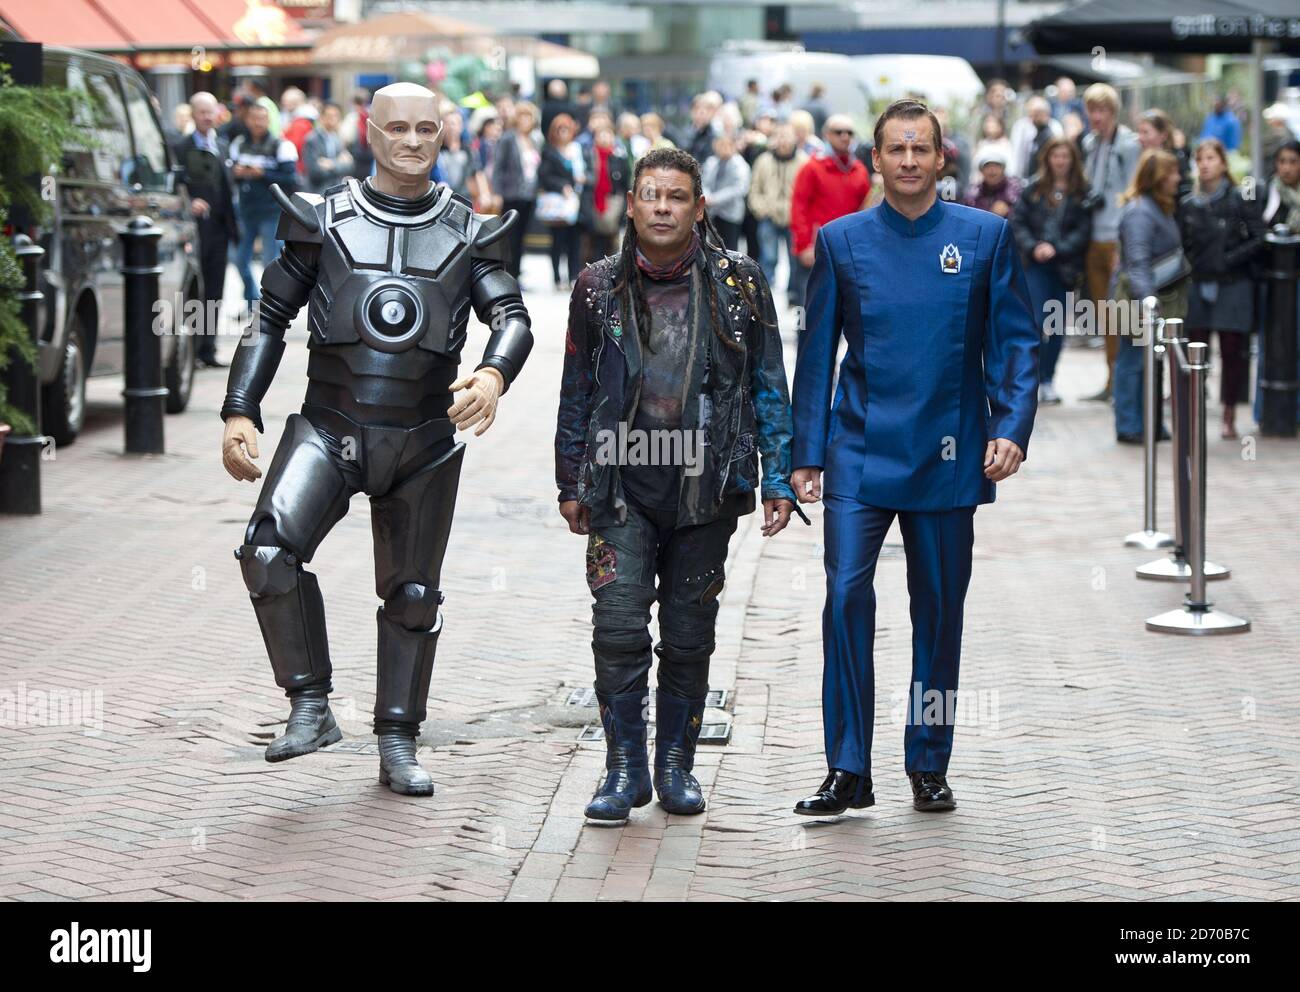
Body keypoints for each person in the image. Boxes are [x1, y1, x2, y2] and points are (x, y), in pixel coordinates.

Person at [219, 83, 533, 797]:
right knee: (268, 551)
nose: (413, 141)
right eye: (398, 128)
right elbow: (269, 317)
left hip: (422, 436)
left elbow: (511, 317)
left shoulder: (467, 230)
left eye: (427, 128)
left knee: (414, 594)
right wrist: (240, 408)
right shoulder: (322, 220)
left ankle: (398, 739)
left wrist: (492, 374)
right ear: (370, 132)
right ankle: (309, 705)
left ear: (444, 134)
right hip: (329, 427)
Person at [790, 99, 1038, 816]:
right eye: (894, 149)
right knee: (843, 600)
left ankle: (929, 760)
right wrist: (807, 451)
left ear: (940, 159)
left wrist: (1012, 426)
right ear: (875, 160)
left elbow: (1018, 343)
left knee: (938, 614)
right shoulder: (840, 242)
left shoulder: (985, 237)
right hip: (860, 450)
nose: (906, 161)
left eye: (919, 149)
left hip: (950, 454)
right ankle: (847, 769)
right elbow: (818, 356)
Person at [554, 147, 805, 821]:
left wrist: (777, 474)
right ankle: (623, 769)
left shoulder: (740, 283)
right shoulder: (595, 286)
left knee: (691, 635)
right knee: (616, 625)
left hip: (705, 490)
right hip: (618, 486)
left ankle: (675, 766)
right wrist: (569, 480)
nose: (661, 207)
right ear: (631, 204)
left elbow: (768, 384)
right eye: (650, 195)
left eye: (676, 197)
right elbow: (576, 388)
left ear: (700, 207)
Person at [1181, 139, 1267, 440]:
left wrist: (1228, 259)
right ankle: (1193, 412)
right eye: (1200, 159)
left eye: (1210, 158)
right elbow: (1183, 245)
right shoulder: (1188, 203)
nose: (1205, 164)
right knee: (1194, 352)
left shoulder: (1240, 198)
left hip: (1233, 284)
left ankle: (1229, 413)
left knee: (1233, 353)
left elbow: (1260, 238)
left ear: (1222, 163)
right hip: (1199, 284)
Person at [1011, 137, 1093, 405]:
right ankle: (1030, 380)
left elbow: (1083, 230)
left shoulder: (1082, 192)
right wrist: (1034, 247)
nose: (1060, 161)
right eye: (1055, 156)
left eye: (1065, 156)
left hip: (1064, 268)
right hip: (1035, 266)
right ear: (1047, 158)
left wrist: (1058, 248)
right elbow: (1018, 221)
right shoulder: (1032, 188)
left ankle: (1048, 378)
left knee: (1056, 326)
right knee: (1034, 322)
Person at [1112, 149, 1186, 444]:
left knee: (1150, 363)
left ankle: (1150, 421)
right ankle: (1129, 423)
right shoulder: (1140, 212)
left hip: (1150, 297)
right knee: (1133, 362)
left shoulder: (1157, 207)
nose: (1178, 178)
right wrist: (1147, 302)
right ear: (1159, 177)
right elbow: (1138, 261)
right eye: (1173, 172)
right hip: (1136, 299)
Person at [1080, 83, 1142, 402]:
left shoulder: (1129, 145)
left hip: (1117, 238)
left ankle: (1123, 382)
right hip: (1094, 236)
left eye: (1101, 110)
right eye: (1091, 109)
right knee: (1104, 313)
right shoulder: (1090, 143)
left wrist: (1123, 242)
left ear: (1113, 112)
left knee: (1122, 313)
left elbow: (1133, 193)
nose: (1096, 116)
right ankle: (1110, 379)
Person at [173, 92, 241, 368]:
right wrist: (188, 202)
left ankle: (208, 348)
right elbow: (174, 184)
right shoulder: (179, 148)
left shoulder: (223, 146)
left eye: (211, 111)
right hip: (194, 229)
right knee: (195, 289)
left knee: (215, 289)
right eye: (202, 112)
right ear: (192, 114)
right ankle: (191, 349)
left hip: (220, 228)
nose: (208, 117)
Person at [790, 115, 871, 308]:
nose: (844, 136)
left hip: (848, 251)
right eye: (838, 132)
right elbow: (798, 206)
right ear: (827, 134)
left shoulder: (859, 170)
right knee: (806, 309)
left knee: (844, 308)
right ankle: (801, 337)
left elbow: (865, 211)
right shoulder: (812, 167)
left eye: (849, 132)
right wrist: (803, 245)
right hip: (815, 249)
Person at [229, 103, 299, 304]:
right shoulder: (239, 144)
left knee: (271, 261)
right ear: (247, 120)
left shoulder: (281, 146)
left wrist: (262, 174)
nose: (257, 122)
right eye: (253, 118)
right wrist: (238, 174)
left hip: (272, 212)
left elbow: (291, 178)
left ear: (268, 120)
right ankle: (251, 299)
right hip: (246, 211)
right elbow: (230, 175)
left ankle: (270, 304)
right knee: (239, 258)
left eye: (262, 118)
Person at [748, 122, 808, 305]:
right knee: (768, 257)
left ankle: (794, 296)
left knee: (794, 260)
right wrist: (761, 209)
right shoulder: (763, 160)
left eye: (786, 136)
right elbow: (754, 189)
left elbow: (808, 193)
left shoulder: (804, 162)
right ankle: (764, 298)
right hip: (769, 216)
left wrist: (801, 214)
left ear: (794, 138)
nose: (783, 141)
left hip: (794, 219)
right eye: (779, 136)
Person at [491, 101, 542, 281]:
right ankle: (509, 274)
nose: (525, 120)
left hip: (528, 194)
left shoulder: (535, 140)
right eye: (522, 116)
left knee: (522, 237)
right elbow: (498, 167)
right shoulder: (508, 138)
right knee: (510, 237)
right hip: (510, 193)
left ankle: (517, 273)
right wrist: (497, 192)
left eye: (529, 116)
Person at [539, 113, 586, 291]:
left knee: (575, 242)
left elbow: (586, 172)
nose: (564, 133)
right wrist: (562, 186)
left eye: (567, 129)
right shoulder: (549, 151)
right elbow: (544, 176)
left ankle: (573, 276)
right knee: (557, 242)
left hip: (576, 202)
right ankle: (558, 278)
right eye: (560, 129)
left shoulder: (577, 149)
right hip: (558, 204)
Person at [580, 122, 630, 263]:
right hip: (592, 202)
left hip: (613, 204)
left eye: (608, 134)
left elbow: (624, 184)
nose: (604, 138)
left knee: (611, 242)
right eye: (600, 135)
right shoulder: (588, 155)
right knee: (593, 241)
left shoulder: (619, 157)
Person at [701, 133, 751, 251]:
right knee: (712, 247)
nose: (724, 148)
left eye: (727, 145)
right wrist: (707, 196)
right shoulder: (711, 162)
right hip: (712, 212)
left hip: (731, 213)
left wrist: (716, 199)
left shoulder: (740, 164)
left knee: (729, 248)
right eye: (720, 145)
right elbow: (704, 181)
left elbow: (740, 188)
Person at [1137, 108, 1192, 201]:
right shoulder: (1142, 159)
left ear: (1163, 135)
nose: (1140, 138)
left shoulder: (1176, 161)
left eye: (1146, 132)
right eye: (1139, 132)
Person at [302, 102, 353, 194]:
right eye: (329, 115)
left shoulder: (337, 139)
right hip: (317, 192)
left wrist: (331, 164)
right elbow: (315, 172)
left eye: (336, 115)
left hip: (335, 191)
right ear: (321, 117)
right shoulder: (312, 139)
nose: (333, 119)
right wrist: (339, 164)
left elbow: (349, 165)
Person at [1009, 95, 1063, 179]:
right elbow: (1017, 153)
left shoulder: (1055, 126)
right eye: (1033, 113)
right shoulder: (1021, 126)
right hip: (1026, 175)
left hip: (1049, 175)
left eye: (1040, 113)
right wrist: (1015, 176)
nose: (1036, 117)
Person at [963, 147, 1022, 217]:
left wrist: (1009, 211)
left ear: (1003, 169)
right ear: (981, 171)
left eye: (997, 166)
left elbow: (1025, 215)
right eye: (987, 166)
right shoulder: (973, 193)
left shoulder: (1015, 189)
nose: (992, 171)